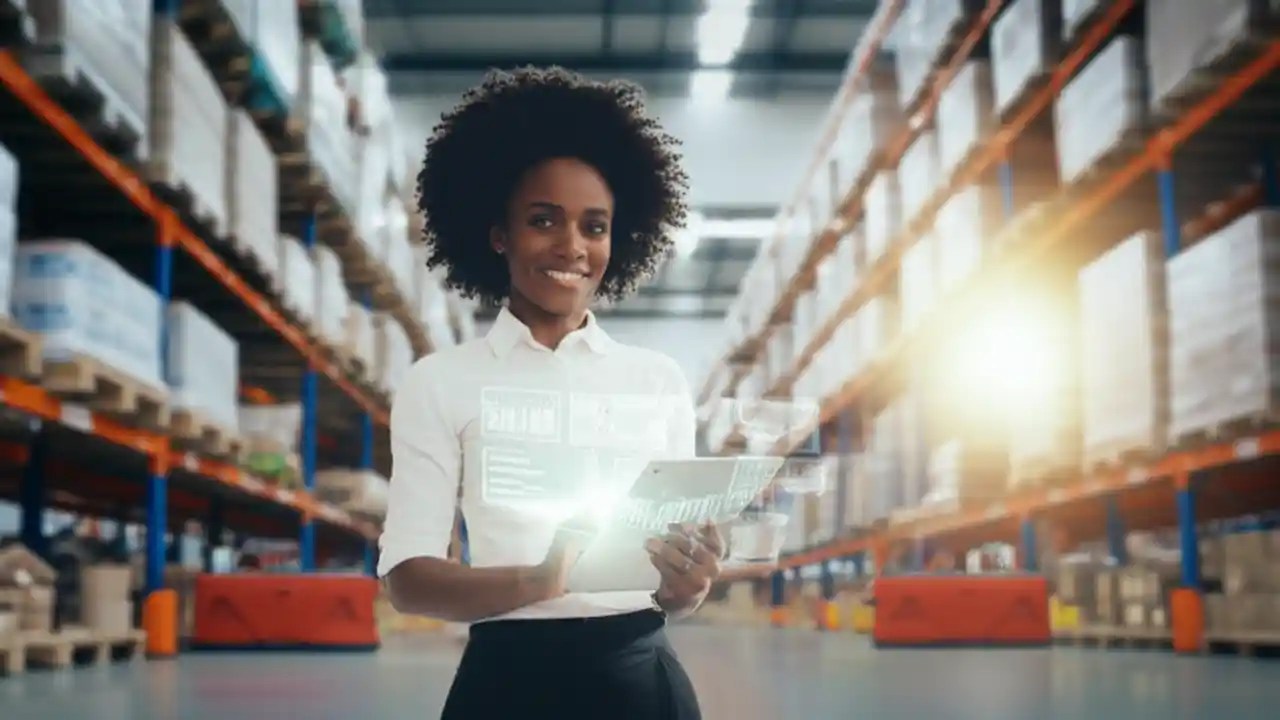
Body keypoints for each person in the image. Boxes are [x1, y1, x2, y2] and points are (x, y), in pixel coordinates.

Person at [380, 67, 715, 719]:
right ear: (498, 234)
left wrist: (690, 584)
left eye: (595, 226)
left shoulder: (659, 382)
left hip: (643, 685)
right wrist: (540, 580)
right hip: (506, 685)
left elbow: (674, 596)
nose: (572, 247)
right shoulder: (441, 382)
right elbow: (408, 580)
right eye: (543, 220)